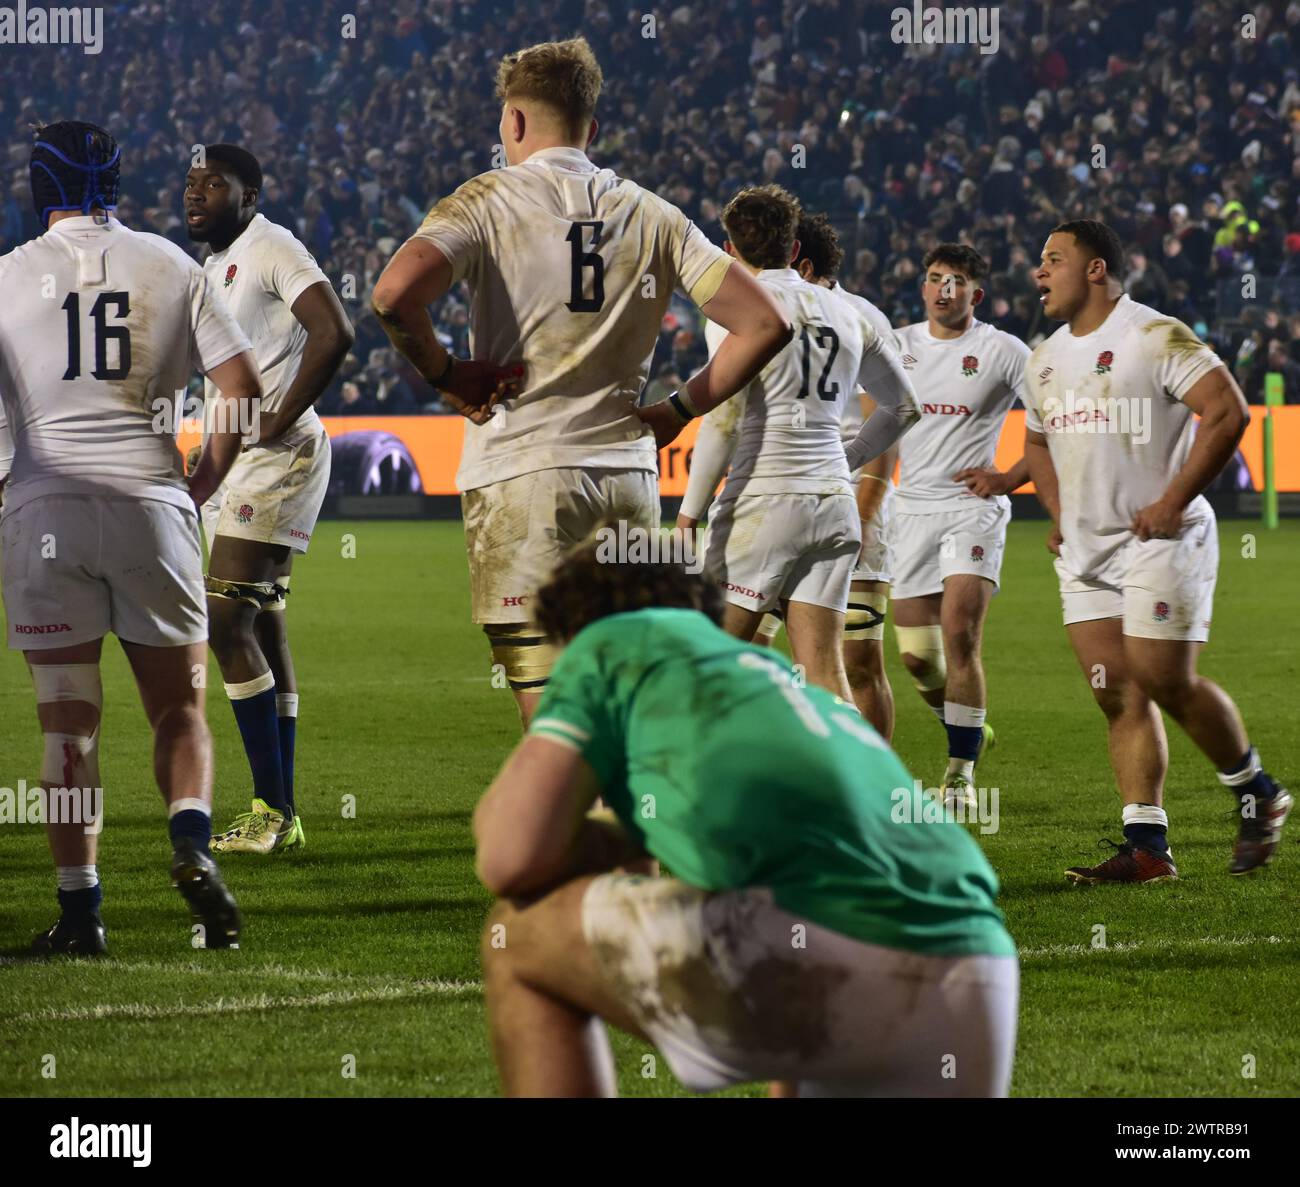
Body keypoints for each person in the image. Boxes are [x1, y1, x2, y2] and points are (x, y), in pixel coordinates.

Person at [474, 543, 1019, 1097]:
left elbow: (509, 858)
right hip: (978, 971)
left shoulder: (610, 644)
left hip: (836, 966)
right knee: (780, 907)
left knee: (516, 936)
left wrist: (587, 833)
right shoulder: (776, 677)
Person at [371, 36, 790, 728]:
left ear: (512, 120)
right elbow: (764, 323)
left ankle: (599, 829)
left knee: (558, 721)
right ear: (591, 129)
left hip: (525, 472)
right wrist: (679, 409)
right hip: (625, 476)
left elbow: (392, 295)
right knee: (622, 695)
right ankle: (644, 824)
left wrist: (449, 371)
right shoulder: (654, 213)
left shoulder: (485, 200)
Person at [0, 121, 260, 952]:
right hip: (154, 505)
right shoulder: (172, 265)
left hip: (45, 511)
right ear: (117, 181)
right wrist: (206, 478)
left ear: (39, 189)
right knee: (180, 708)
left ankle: (82, 915)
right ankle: (189, 843)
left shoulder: (5, 278)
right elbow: (242, 388)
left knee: (66, 724)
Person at [1025, 218, 1291, 881]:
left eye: (1053, 259)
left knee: (1162, 674)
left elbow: (1227, 410)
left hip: (1162, 540)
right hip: (1087, 556)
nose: (1038, 271)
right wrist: (1059, 513)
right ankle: (1148, 847)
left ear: (1095, 270)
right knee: (1116, 691)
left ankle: (1258, 793)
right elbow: (1035, 442)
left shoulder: (1154, 333)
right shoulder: (1046, 356)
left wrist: (1173, 500)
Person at [675, 186, 919, 703]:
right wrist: (845, 460)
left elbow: (723, 420)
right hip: (833, 502)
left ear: (728, 249)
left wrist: (687, 516)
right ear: (792, 249)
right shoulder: (848, 313)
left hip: (764, 501)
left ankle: (686, 785)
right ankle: (862, 786)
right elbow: (905, 407)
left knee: (705, 670)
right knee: (828, 679)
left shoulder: (738, 310)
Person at [183, 143, 355, 855]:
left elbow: (335, 329)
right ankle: (280, 810)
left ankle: (270, 808)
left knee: (225, 621)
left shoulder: (272, 246)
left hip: (277, 455)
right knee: (264, 623)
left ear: (250, 193)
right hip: (238, 457)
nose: (196, 194)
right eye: (191, 184)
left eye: (214, 184)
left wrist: (277, 419)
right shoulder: (207, 266)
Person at [888, 245, 1031, 808]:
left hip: (972, 510)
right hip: (911, 509)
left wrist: (1011, 477)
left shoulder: (1003, 351)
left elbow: (1053, 416)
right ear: (922, 288)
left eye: (958, 280)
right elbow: (876, 422)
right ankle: (970, 730)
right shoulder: (897, 346)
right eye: (934, 278)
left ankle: (960, 775)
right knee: (917, 658)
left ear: (977, 293)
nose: (944, 288)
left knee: (960, 633)